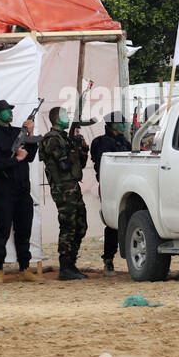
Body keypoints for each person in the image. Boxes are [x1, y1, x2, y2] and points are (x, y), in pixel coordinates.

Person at [0, 99, 39, 284]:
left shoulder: (19, 132)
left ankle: (24, 268)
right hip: (4, 192)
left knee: (24, 232)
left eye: (10, 110)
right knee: (2, 232)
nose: (10, 113)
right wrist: (16, 159)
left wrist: (30, 134)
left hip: (23, 191)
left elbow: (30, 157)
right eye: (6, 111)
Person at [40, 106, 89, 281]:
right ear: (56, 119)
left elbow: (79, 165)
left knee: (81, 225)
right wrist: (73, 147)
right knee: (68, 225)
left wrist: (82, 149)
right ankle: (65, 266)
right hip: (62, 188)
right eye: (64, 115)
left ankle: (71, 263)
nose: (67, 118)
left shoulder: (64, 139)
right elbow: (64, 165)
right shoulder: (52, 139)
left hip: (73, 187)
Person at [91, 113, 131, 277]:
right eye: (120, 123)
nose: (123, 126)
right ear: (112, 125)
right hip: (111, 187)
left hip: (128, 186)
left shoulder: (125, 142)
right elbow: (102, 165)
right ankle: (108, 260)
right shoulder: (101, 143)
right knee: (113, 224)